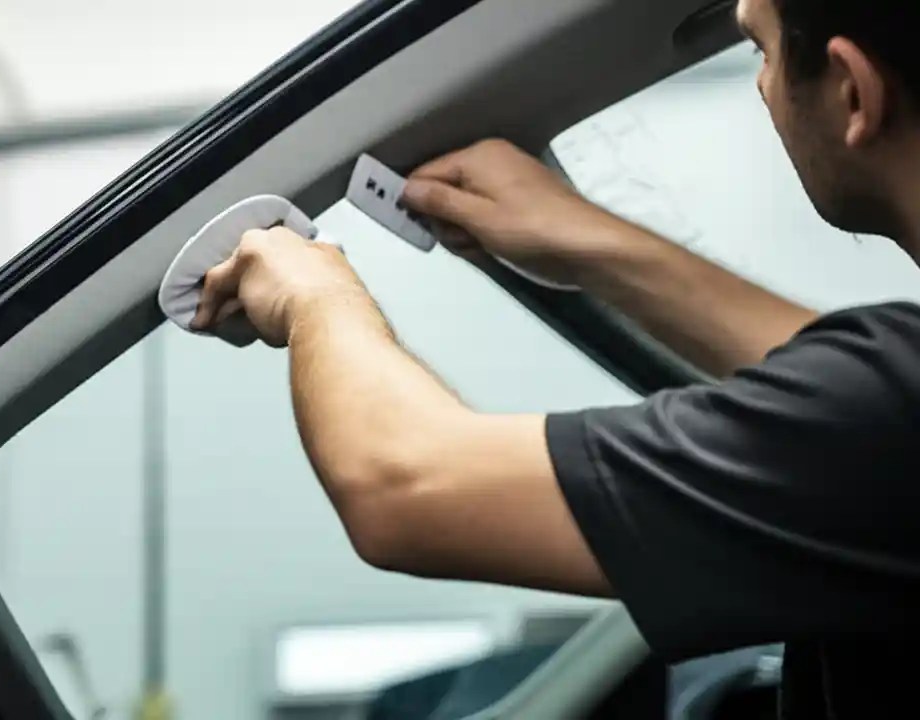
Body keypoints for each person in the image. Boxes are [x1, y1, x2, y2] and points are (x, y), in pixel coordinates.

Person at [191, 0, 920, 717]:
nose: (760, 84)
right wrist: (585, 239)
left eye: (760, 52)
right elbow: (849, 381)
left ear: (851, 90)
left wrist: (313, 293)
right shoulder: (890, 400)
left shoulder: (889, 422)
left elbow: (403, 487)